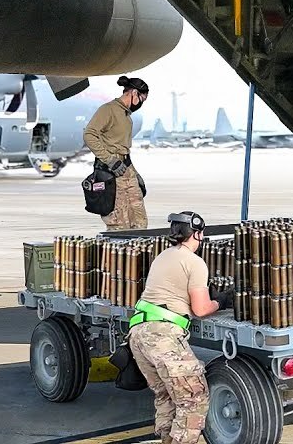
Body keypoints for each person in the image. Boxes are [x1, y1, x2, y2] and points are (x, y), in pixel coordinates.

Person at [129, 211, 232, 444]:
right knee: (194, 398)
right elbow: (201, 309)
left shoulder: (163, 256)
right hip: (162, 335)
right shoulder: (195, 263)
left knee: (166, 396)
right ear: (197, 233)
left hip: (139, 333)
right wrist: (222, 301)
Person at [83, 76, 149, 230]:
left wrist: (135, 173)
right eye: (141, 98)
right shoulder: (108, 110)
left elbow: (124, 150)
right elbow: (89, 135)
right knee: (119, 224)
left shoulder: (127, 116)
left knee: (139, 222)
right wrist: (110, 160)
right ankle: (117, 253)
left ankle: (137, 253)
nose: (141, 103)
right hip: (110, 173)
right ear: (133, 93)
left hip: (126, 170)